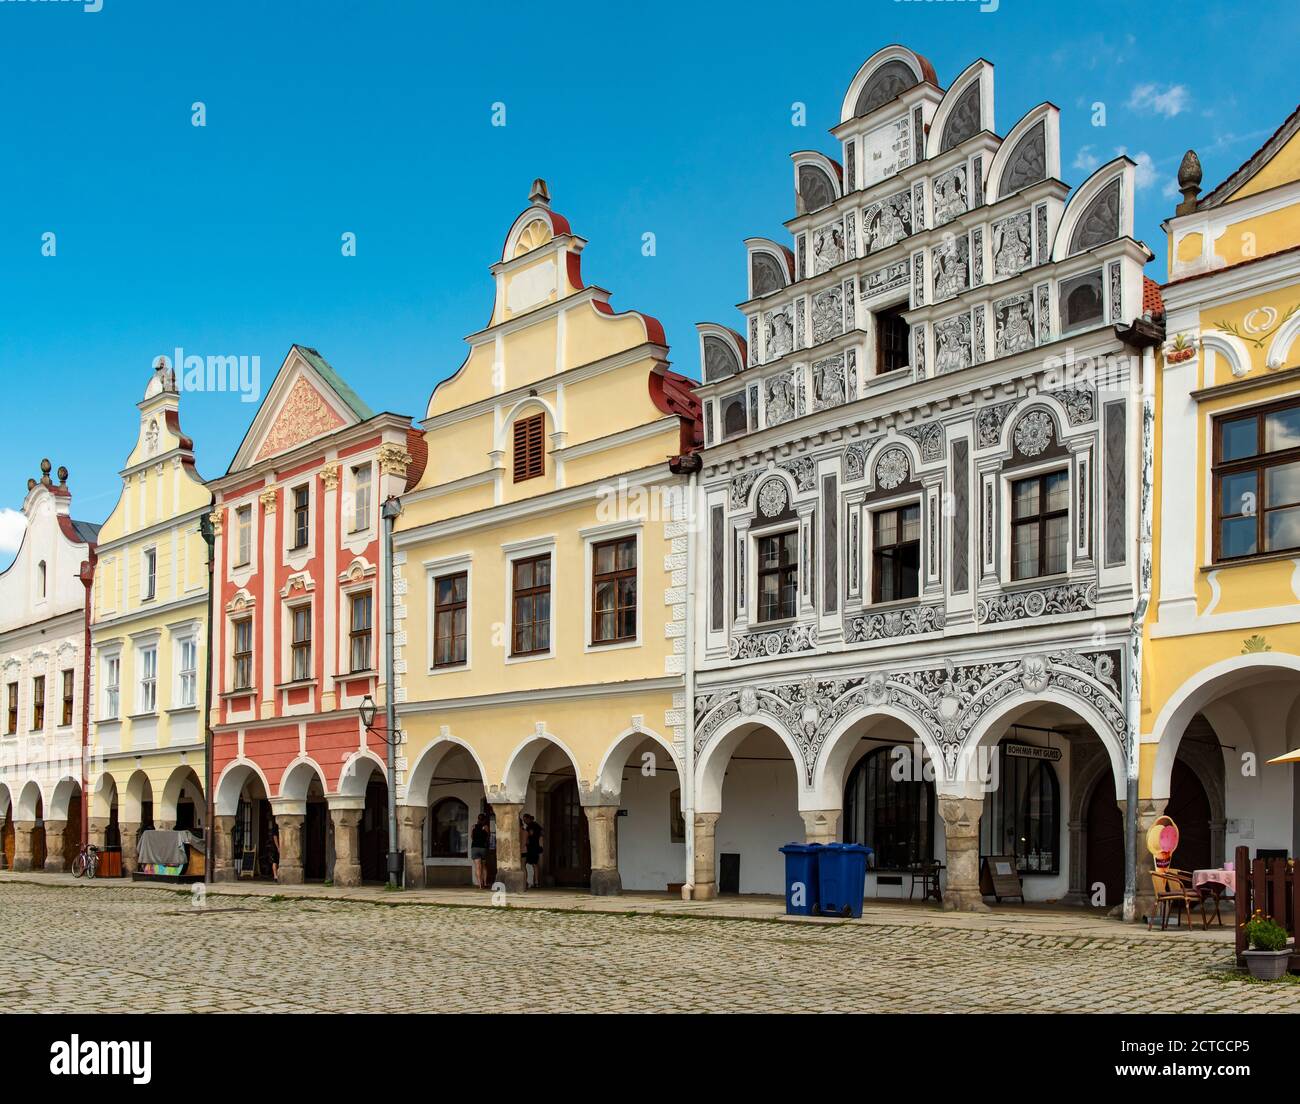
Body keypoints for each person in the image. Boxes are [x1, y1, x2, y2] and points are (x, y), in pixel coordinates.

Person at [522, 813, 543, 889]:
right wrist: (540, 845)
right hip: (536, 847)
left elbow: (528, 837)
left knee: (528, 864)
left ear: (528, 819)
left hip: (531, 847)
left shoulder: (529, 827)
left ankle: (529, 882)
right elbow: (541, 835)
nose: (524, 822)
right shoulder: (537, 826)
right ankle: (536, 882)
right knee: (535, 864)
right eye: (523, 820)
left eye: (525, 820)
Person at [469, 813, 491, 889]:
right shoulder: (485, 827)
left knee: (478, 867)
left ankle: (480, 884)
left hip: (474, 847)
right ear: (484, 820)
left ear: (478, 819)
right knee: (484, 866)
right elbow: (488, 837)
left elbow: (472, 837)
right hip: (482, 848)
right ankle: (484, 882)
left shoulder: (473, 827)